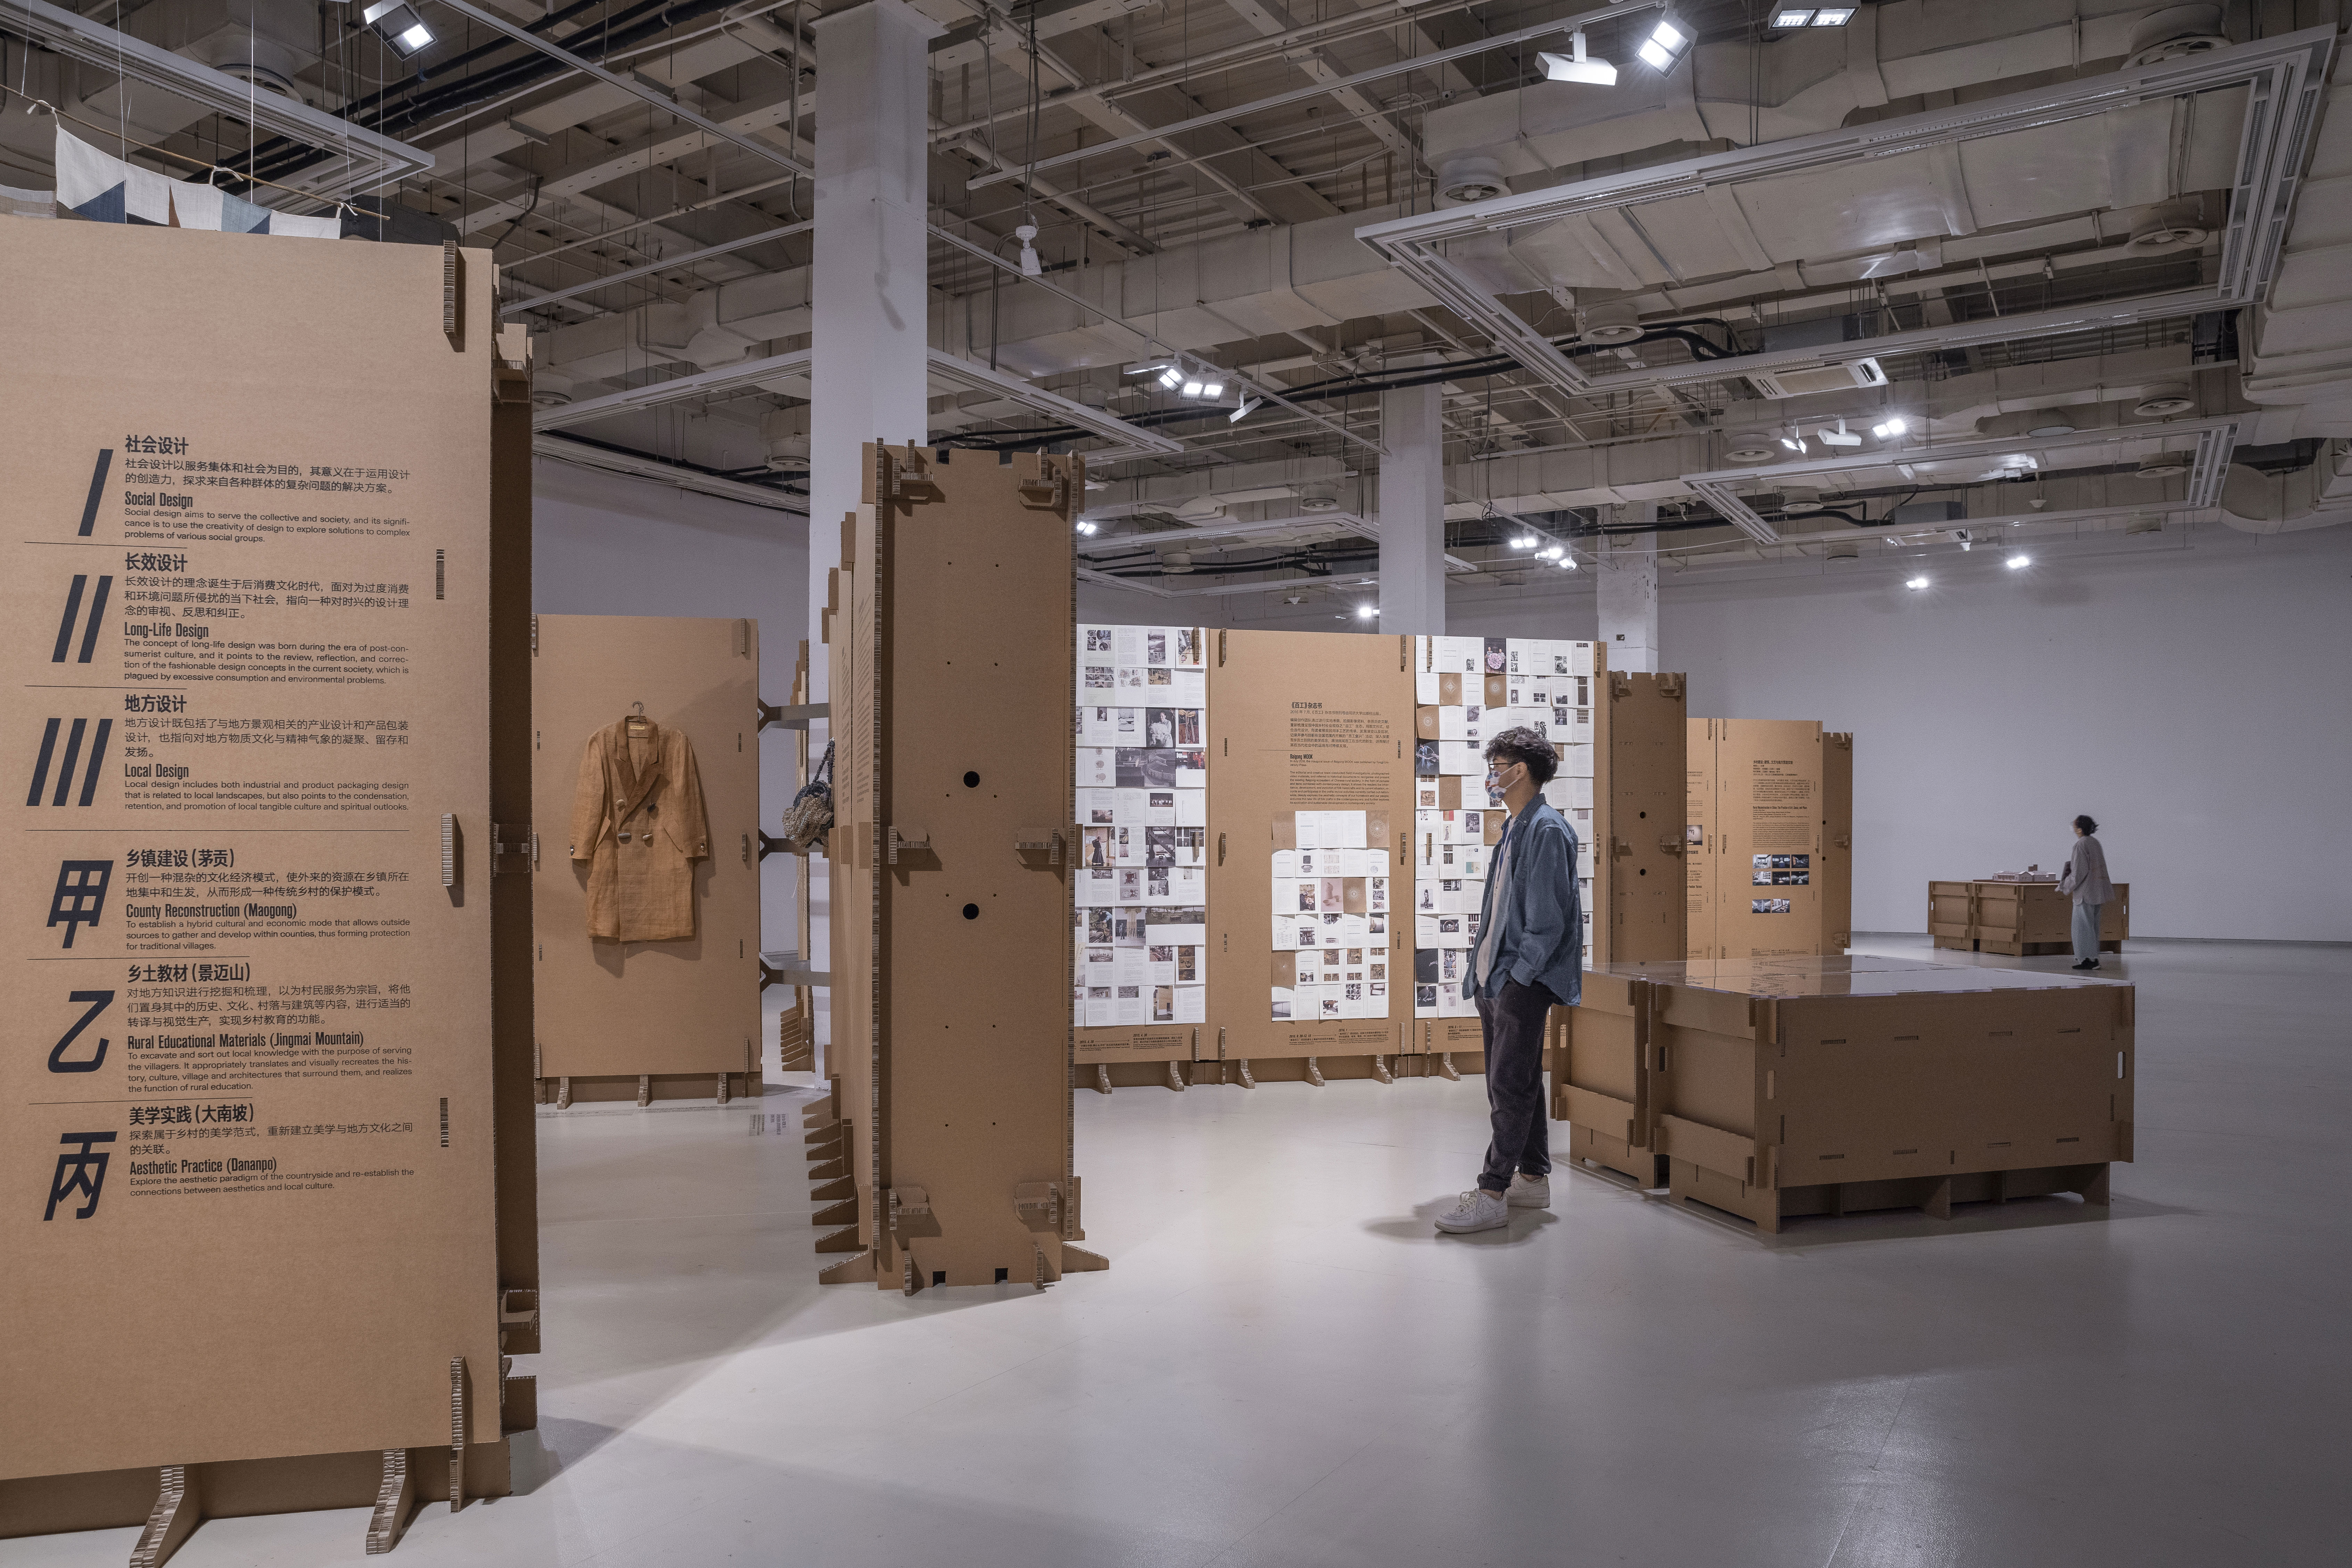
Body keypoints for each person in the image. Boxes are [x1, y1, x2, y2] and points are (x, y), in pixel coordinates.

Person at [1436, 727, 1583, 1235]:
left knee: (1507, 1085)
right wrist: (1489, 975)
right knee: (1519, 1082)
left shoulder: (1546, 830)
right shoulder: (1516, 827)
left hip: (1523, 979)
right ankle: (1534, 1178)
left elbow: (1547, 922)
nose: (1492, 775)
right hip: (1499, 978)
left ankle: (1493, 1191)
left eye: (1497, 765)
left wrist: (1519, 977)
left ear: (1520, 771)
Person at [2058, 814, 2115, 971]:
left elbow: (2079, 872)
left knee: (2082, 928)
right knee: (2093, 928)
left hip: (2084, 893)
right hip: (2097, 892)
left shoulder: (2081, 845)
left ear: (2080, 828)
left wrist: (2065, 886)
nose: (2073, 829)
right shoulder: (2095, 843)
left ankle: (2087, 960)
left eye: (2075, 826)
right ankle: (2094, 958)